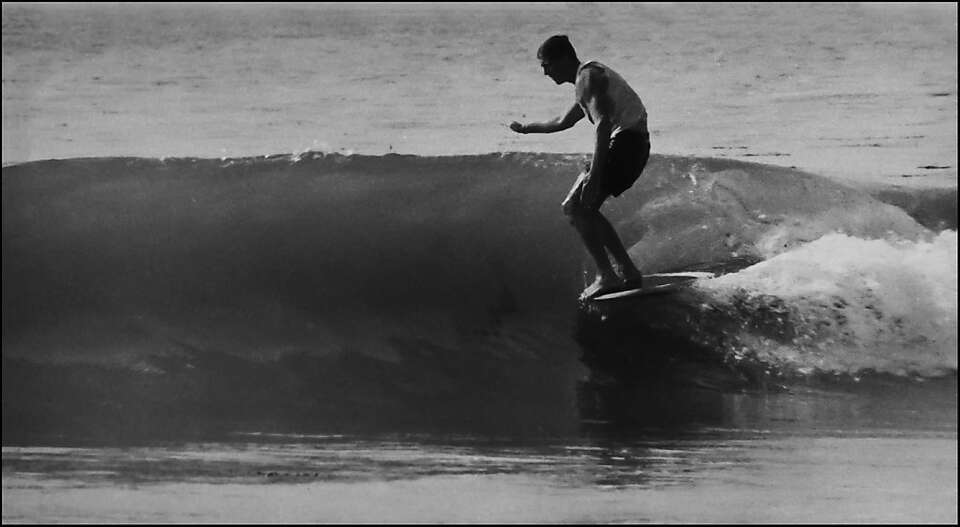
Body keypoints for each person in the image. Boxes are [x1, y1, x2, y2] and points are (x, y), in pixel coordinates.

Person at [510, 35, 651, 299]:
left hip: (625, 144)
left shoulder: (588, 78)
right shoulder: (587, 81)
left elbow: (603, 125)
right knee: (584, 209)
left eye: (547, 65)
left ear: (563, 58)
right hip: (634, 145)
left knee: (574, 207)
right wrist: (526, 129)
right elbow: (563, 121)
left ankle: (607, 275)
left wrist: (594, 176)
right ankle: (627, 272)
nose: (545, 72)